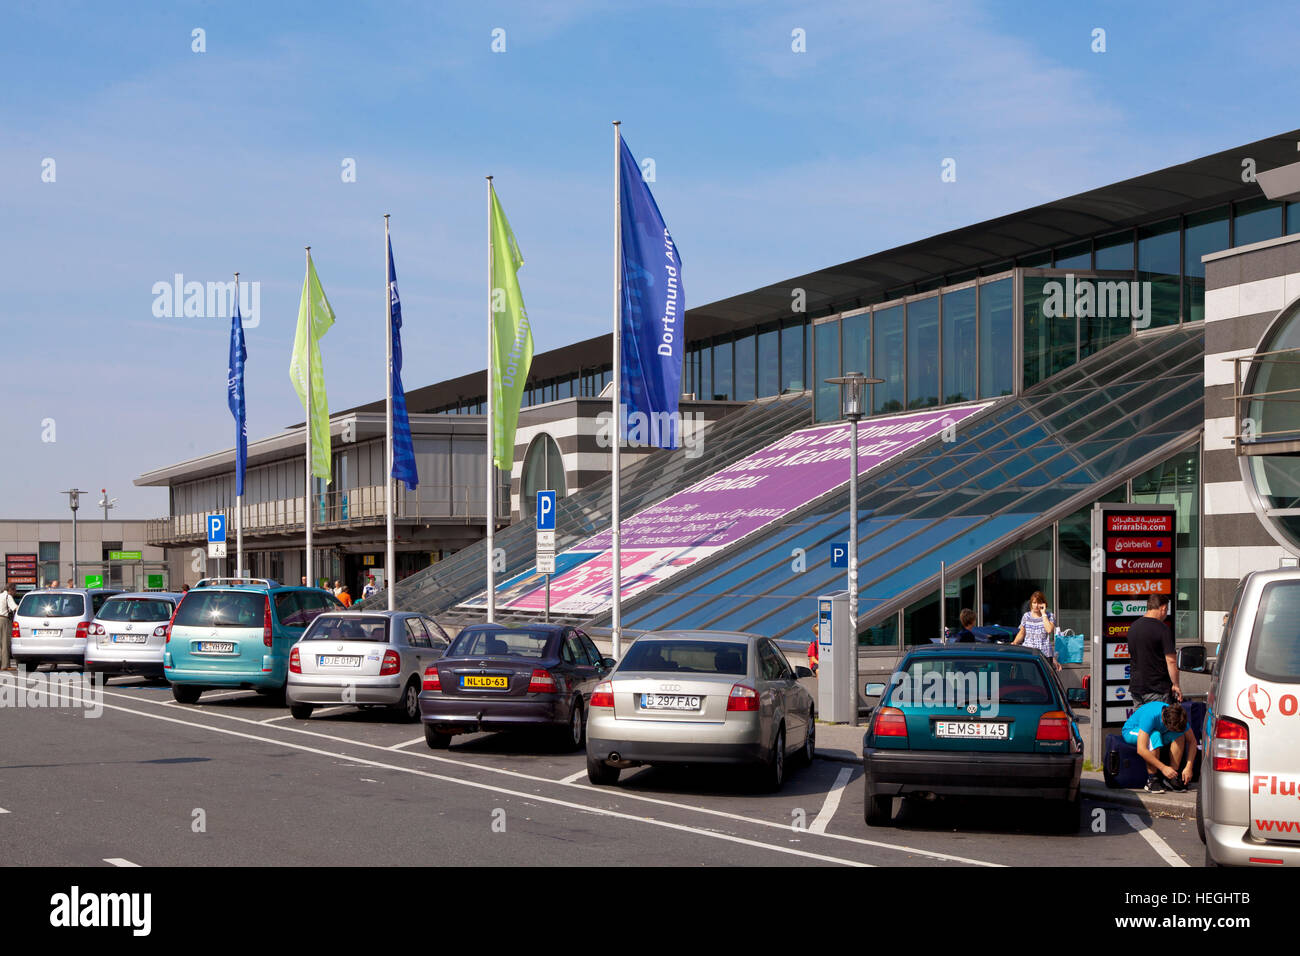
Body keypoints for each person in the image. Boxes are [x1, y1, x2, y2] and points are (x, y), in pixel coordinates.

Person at [1122, 700, 1196, 792]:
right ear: (1166, 724)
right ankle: (1152, 780)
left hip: (1156, 731)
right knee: (1154, 735)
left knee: (1180, 735)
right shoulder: (1150, 716)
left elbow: (1192, 741)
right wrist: (1163, 768)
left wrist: (1189, 767)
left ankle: (1172, 777)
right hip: (1131, 730)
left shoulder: (1179, 716)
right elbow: (1141, 749)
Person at [1127, 594, 1179, 704]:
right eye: (1167, 610)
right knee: (1159, 720)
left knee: (1141, 720)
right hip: (1157, 689)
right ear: (1163, 608)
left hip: (1136, 688)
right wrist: (1176, 684)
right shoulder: (1163, 629)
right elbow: (1171, 661)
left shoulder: (1133, 627)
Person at [1013, 590, 1060, 671]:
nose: (1036, 605)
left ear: (1043, 604)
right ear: (1031, 604)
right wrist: (1014, 643)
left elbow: (1049, 630)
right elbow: (1022, 633)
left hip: (1044, 654)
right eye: (1034, 603)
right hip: (1028, 653)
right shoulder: (1026, 616)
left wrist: (1043, 613)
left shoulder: (1049, 616)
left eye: (1038, 603)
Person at [0, 583, 19, 670]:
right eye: (15, 590)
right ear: (11, 590)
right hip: (4, 620)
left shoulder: (0, 595)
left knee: (0, 644)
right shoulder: (8, 596)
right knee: (5, 643)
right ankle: (5, 665)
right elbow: (15, 608)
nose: (15, 592)